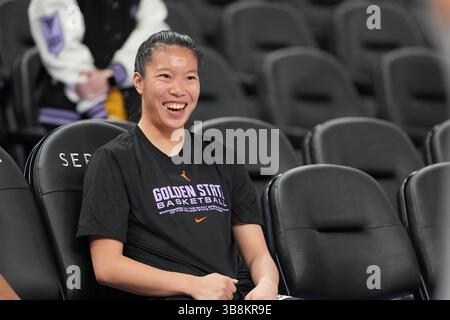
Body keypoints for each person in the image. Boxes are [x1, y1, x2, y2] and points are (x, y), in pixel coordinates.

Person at [76, 30, 279, 300]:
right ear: (139, 82)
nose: (179, 90)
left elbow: (258, 254)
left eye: (190, 78)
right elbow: (107, 267)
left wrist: (267, 285)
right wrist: (193, 285)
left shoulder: (222, 157)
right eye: (165, 76)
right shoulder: (113, 160)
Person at [28, 0, 169, 130]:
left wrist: (117, 73)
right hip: (69, 104)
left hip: (129, 98)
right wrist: (97, 105)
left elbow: (153, 31)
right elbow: (62, 50)